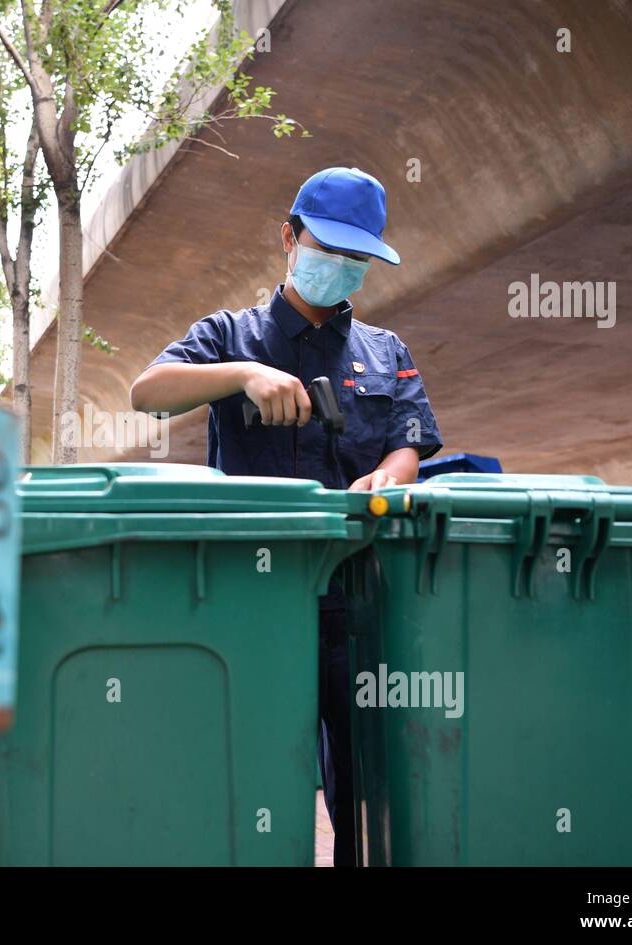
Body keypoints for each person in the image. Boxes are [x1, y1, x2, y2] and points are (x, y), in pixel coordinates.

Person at [129, 166, 442, 866]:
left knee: (366, 780)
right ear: (288, 236)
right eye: (325, 249)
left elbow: (407, 443)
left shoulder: (385, 353)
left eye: (354, 257)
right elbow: (146, 393)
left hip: (359, 602)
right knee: (252, 770)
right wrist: (242, 375)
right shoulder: (230, 334)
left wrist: (385, 478)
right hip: (255, 602)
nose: (338, 267)